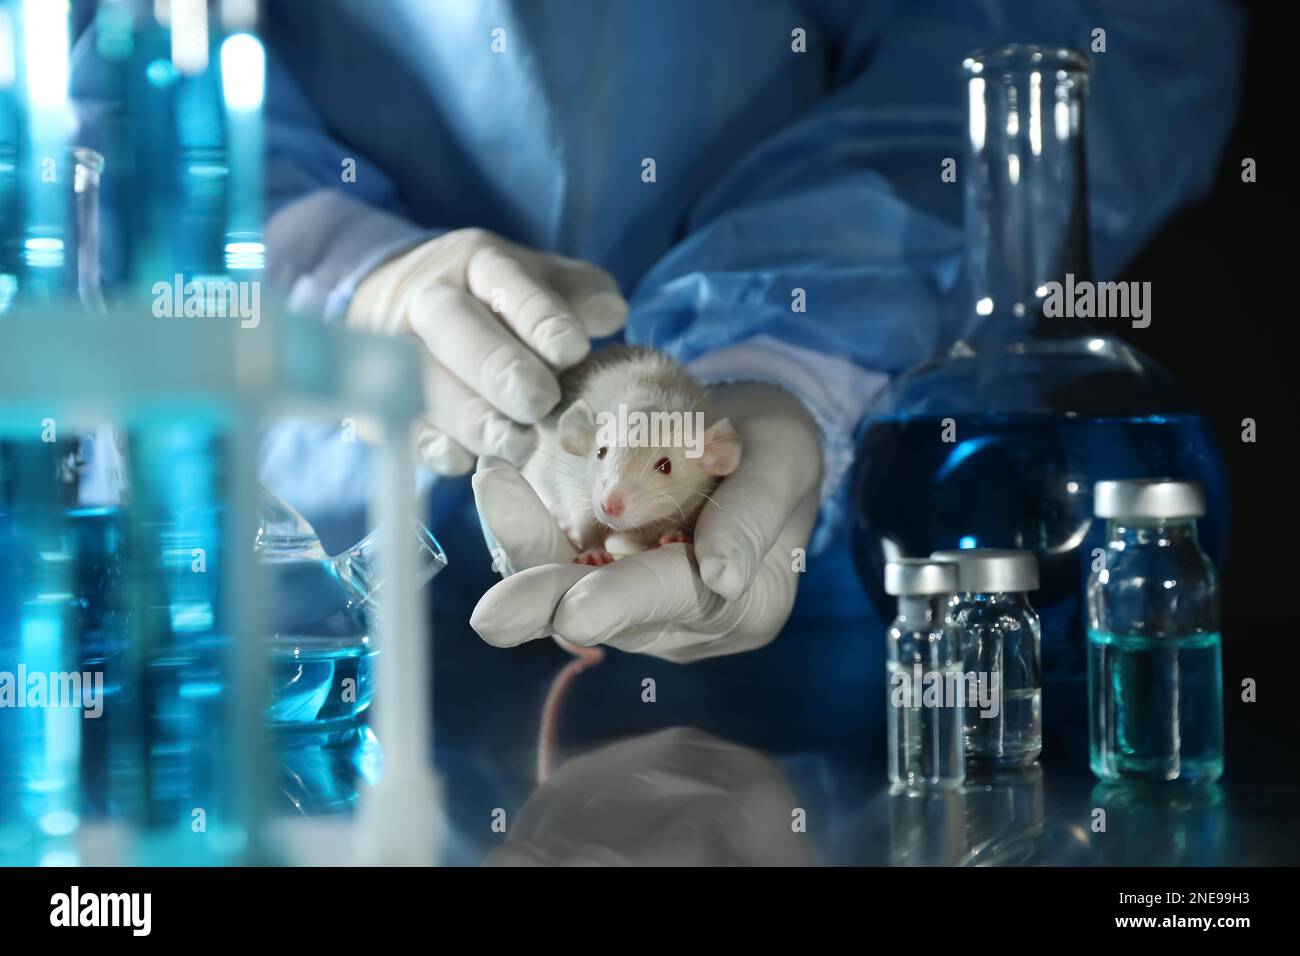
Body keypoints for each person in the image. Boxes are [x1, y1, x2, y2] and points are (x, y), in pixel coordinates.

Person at [116, 1, 1252, 660]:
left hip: (835, 622)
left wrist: (784, 363)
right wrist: (341, 275)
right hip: (287, 604)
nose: (612, 493)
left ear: (705, 453)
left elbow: (1082, 29)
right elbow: (100, 71)